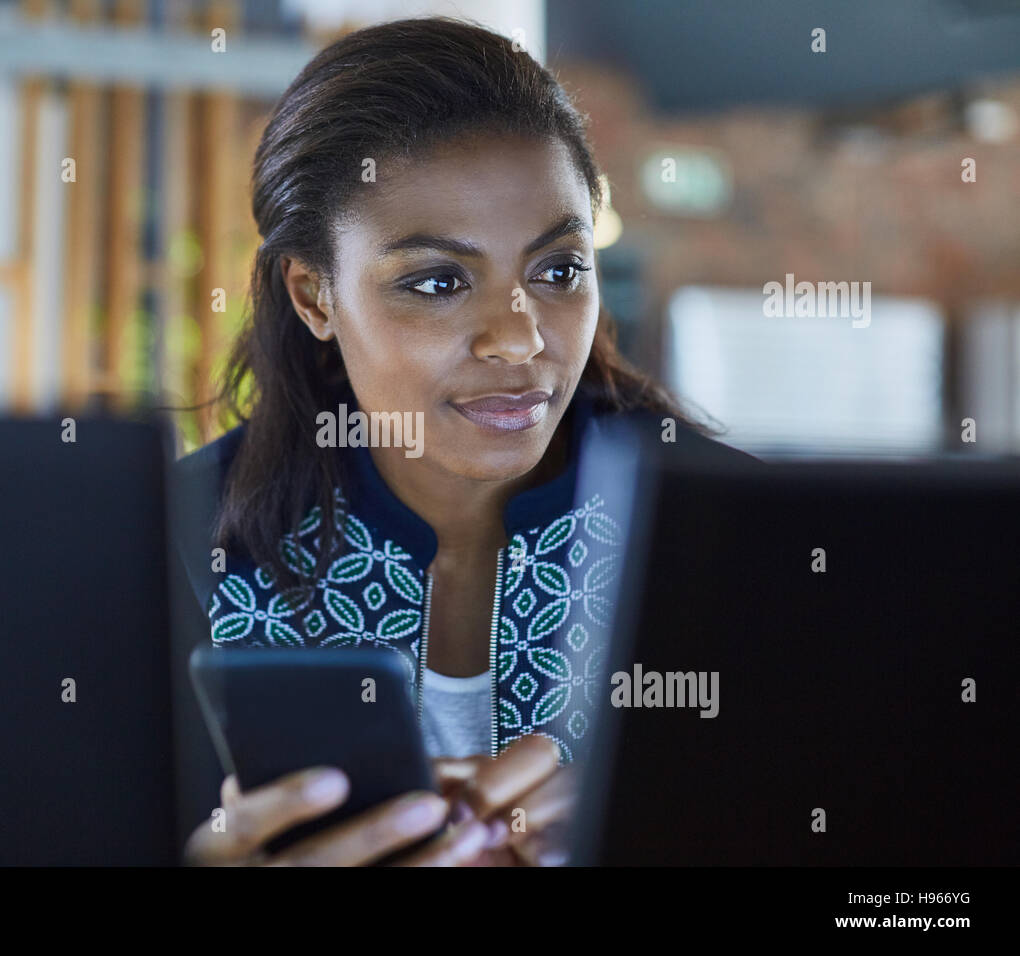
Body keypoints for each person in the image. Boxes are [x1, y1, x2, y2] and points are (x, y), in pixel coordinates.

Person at [170, 15, 753, 866]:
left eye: (557, 271)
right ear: (313, 296)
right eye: (438, 281)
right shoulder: (179, 552)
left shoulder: (741, 542)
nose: (518, 339)